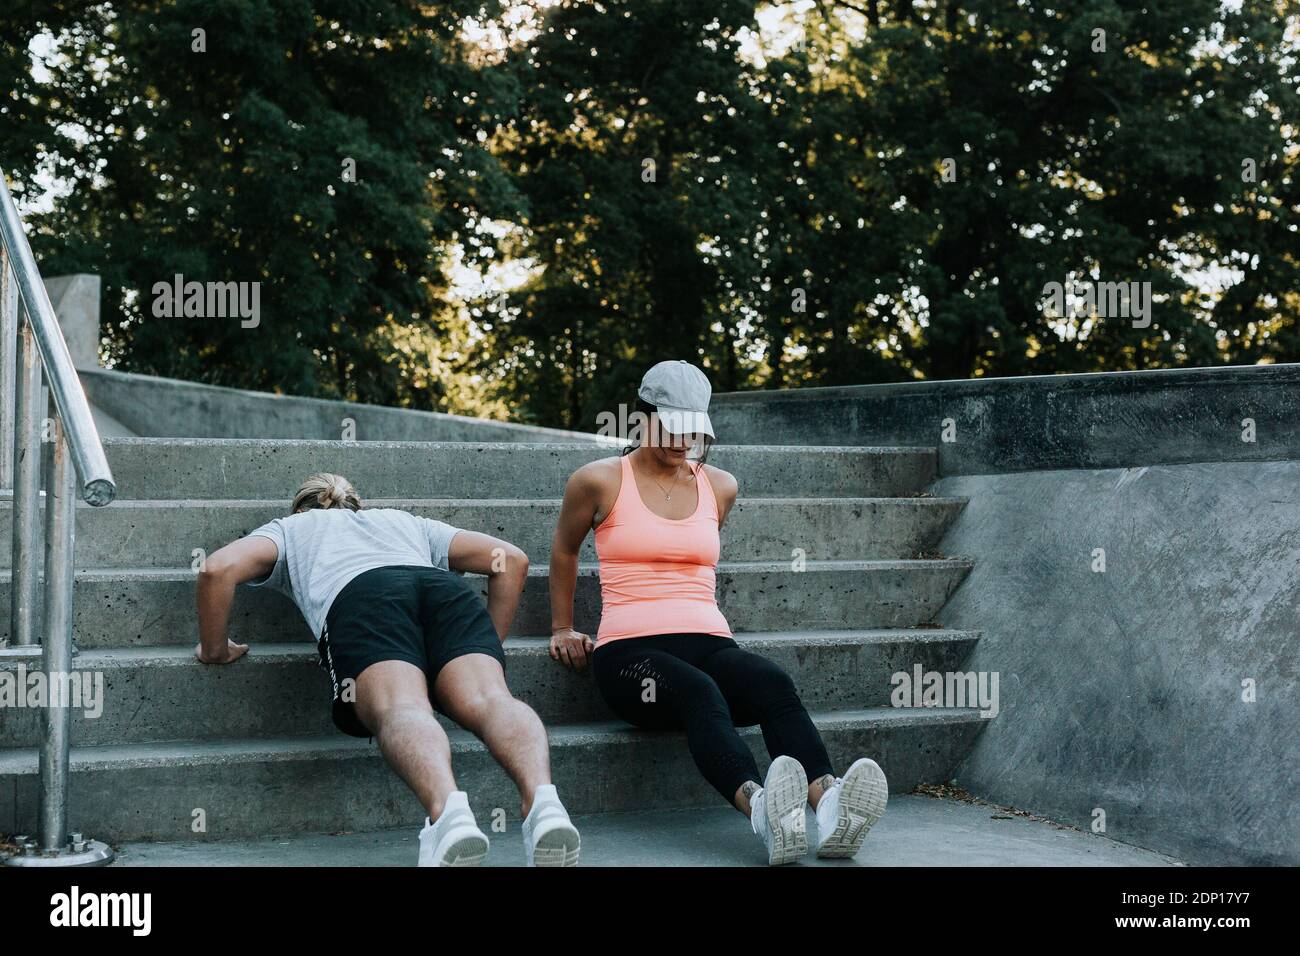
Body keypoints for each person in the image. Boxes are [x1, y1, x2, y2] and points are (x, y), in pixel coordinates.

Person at [549, 360, 888, 865]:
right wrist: (562, 626)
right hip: (629, 655)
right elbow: (564, 550)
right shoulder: (597, 480)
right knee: (699, 691)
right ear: (642, 418)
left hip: (710, 640)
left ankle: (832, 805)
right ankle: (764, 812)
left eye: (694, 430)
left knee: (771, 681)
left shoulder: (720, 485)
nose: (684, 441)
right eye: (672, 427)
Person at [194, 472, 580, 868]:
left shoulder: (291, 528)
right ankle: (545, 805)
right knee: (490, 698)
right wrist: (482, 649)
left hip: (365, 598)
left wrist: (215, 650)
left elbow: (215, 570)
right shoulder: (404, 521)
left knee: (403, 708)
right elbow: (511, 560)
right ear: (357, 503)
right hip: (445, 594)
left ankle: (450, 816)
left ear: (300, 508)